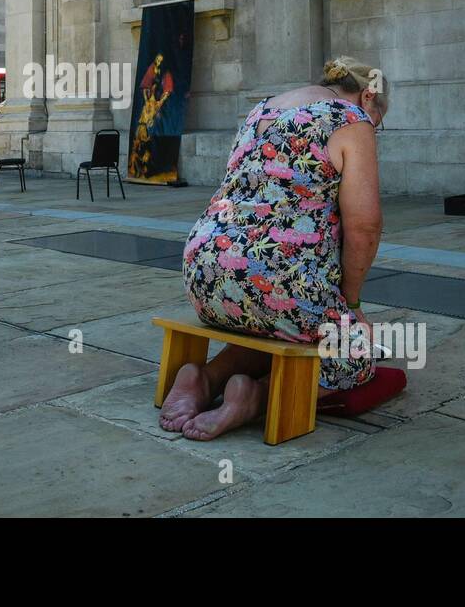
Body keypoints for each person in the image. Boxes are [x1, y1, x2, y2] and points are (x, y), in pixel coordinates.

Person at [160, 56, 387, 440]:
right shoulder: (351, 119)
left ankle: (206, 378)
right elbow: (365, 226)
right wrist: (351, 303)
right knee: (356, 354)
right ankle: (256, 397)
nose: (375, 131)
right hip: (278, 282)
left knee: (280, 322)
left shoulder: (261, 110)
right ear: (368, 97)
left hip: (205, 277)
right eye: (381, 123)